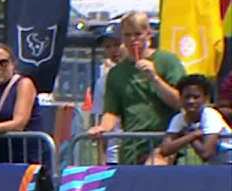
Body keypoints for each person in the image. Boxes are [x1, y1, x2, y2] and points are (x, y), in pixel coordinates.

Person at [87, 11, 185, 164]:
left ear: (149, 34)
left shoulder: (167, 61)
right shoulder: (116, 73)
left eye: (138, 34)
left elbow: (180, 102)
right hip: (131, 146)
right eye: (127, 35)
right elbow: (111, 112)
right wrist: (103, 128)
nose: (133, 40)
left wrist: (155, 78)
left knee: (152, 169)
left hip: (165, 143)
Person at [154, 75, 232, 165]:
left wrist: (188, 136)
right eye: (187, 97)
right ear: (180, 97)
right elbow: (165, 150)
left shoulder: (210, 115)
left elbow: (206, 153)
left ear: (206, 98)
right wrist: (192, 135)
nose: (191, 101)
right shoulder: (179, 118)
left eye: (196, 97)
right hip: (219, 165)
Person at [91, 30, 125, 164]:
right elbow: (100, 119)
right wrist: (100, 164)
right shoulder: (102, 81)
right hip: (113, 158)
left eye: (117, 44)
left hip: (138, 155)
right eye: (107, 47)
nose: (113, 50)